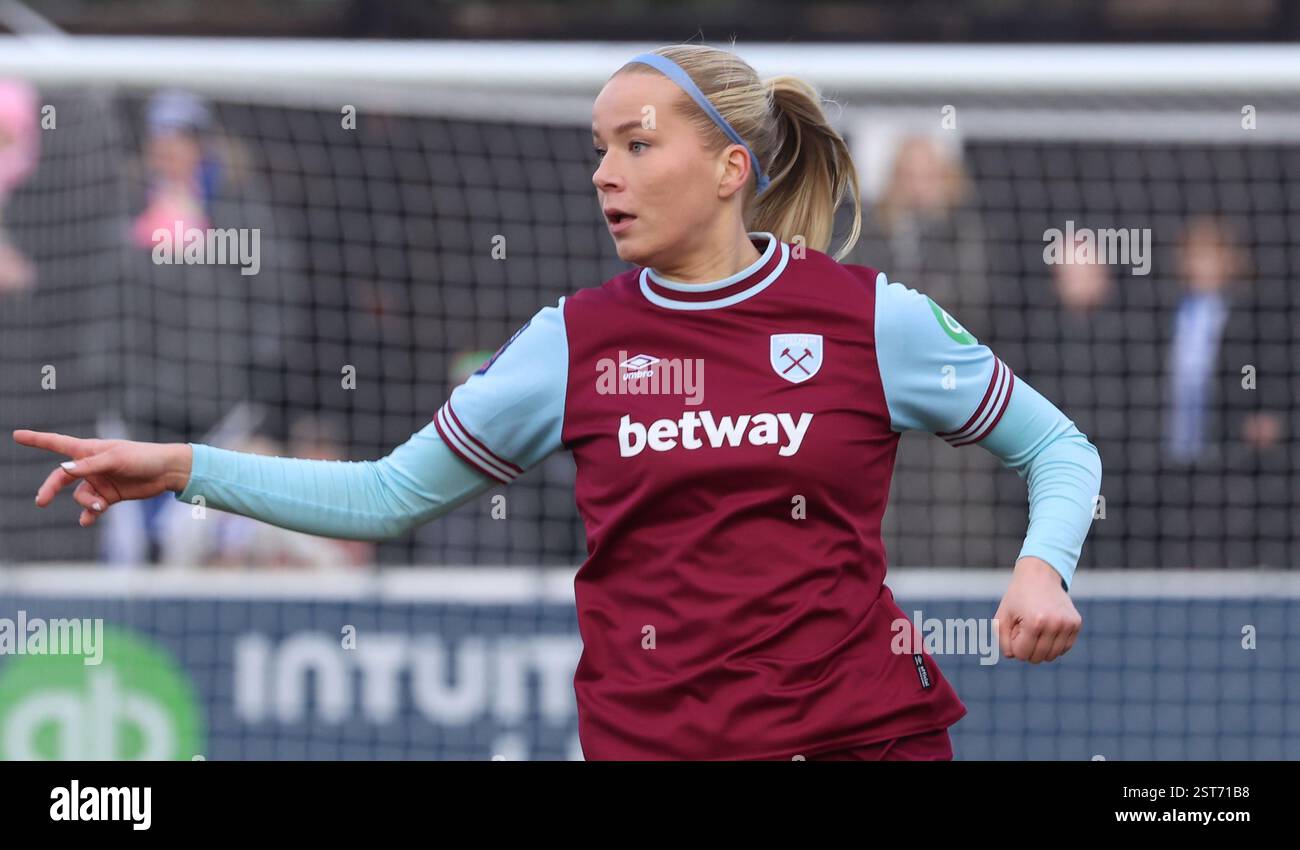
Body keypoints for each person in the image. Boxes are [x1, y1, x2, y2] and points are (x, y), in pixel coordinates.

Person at [13, 44, 1101, 761]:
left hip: (859, 738)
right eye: (598, 150)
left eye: (637, 144)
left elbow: (1058, 449)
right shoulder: (570, 341)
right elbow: (388, 494)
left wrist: (1042, 562)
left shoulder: (870, 318)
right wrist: (186, 467)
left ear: (730, 169)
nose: (605, 173)